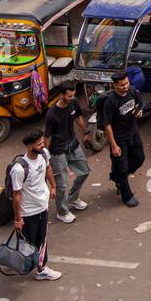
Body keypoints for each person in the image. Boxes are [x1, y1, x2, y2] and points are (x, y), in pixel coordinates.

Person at [11, 129, 62, 280]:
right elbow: (16, 196)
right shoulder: (19, 169)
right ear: (28, 147)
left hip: (43, 206)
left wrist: (53, 186)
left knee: (41, 239)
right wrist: (18, 219)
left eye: (42, 142)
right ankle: (33, 266)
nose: (42, 145)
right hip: (29, 212)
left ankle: (40, 268)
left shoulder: (44, 154)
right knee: (31, 241)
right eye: (38, 144)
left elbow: (48, 168)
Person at [44, 81, 91, 224]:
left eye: (73, 95)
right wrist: (46, 157)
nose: (72, 98)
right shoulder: (52, 114)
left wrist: (86, 132)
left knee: (84, 172)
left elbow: (78, 117)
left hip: (73, 144)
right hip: (58, 151)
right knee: (61, 184)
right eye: (69, 96)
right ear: (61, 95)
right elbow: (48, 137)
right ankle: (62, 211)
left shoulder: (73, 102)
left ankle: (73, 198)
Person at [100, 73, 145, 208]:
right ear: (114, 85)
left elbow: (139, 104)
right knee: (122, 166)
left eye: (126, 83)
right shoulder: (110, 102)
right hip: (119, 138)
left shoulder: (132, 91)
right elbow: (107, 125)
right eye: (122, 85)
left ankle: (118, 176)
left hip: (133, 133)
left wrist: (139, 112)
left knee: (139, 158)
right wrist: (113, 145)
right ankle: (127, 195)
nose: (125, 87)